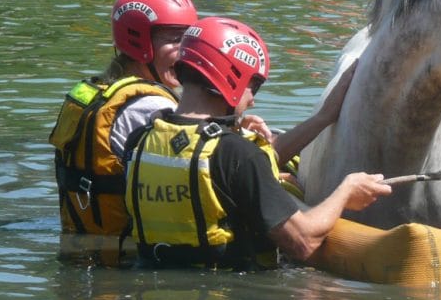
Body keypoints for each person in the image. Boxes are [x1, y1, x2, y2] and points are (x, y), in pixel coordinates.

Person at [124, 16, 392, 269]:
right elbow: (303, 242)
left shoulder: (139, 141)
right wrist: (346, 192)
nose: (252, 99)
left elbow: (226, 172)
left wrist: (323, 118)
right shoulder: (238, 154)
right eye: (254, 85)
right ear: (232, 75)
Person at [50, 0, 198, 236]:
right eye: (174, 39)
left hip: (84, 242)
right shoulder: (153, 107)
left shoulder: (95, 91)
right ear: (140, 42)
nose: (185, 51)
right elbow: (200, 178)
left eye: (189, 38)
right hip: (130, 256)